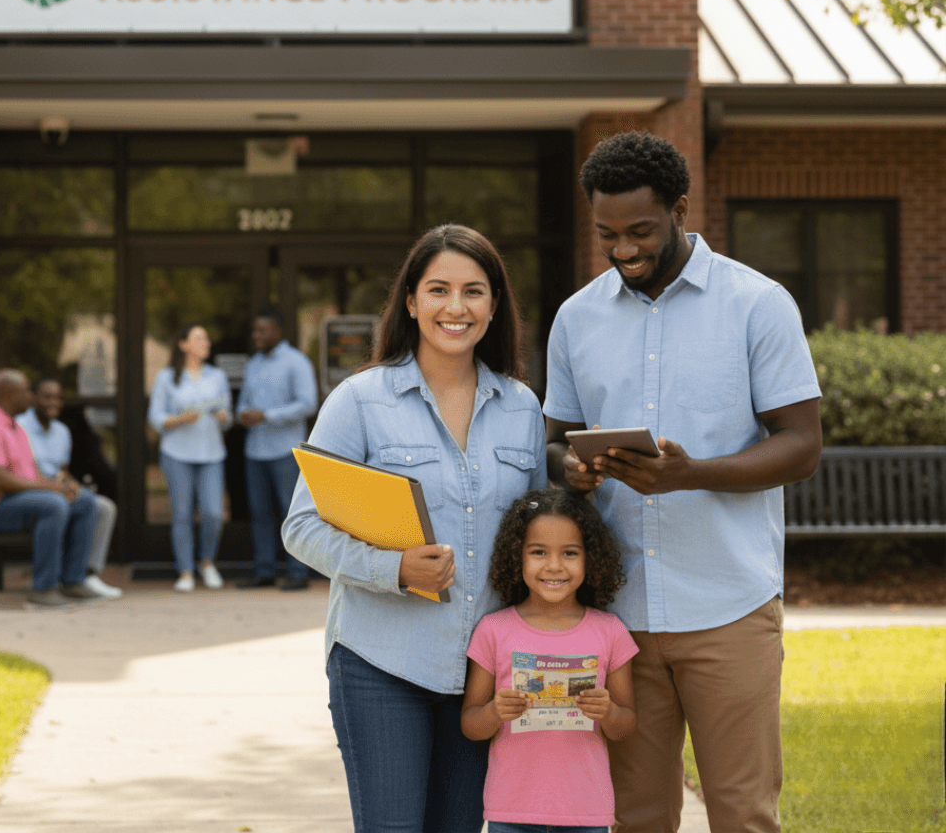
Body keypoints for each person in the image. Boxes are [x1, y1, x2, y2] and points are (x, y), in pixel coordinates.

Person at [543, 131, 823, 833]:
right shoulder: (576, 318)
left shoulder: (758, 305)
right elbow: (549, 444)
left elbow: (801, 444)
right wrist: (571, 469)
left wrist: (691, 475)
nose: (623, 249)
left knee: (742, 814)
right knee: (634, 817)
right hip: (618, 614)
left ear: (680, 209)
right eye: (607, 234)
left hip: (729, 604)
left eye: (640, 231)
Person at [283, 224, 548, 833]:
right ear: (410, 301)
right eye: (438, 290)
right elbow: (300, 527)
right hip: (380, 662)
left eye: (474, 292)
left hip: (484, 673)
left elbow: (535, 538)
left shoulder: (521, 408)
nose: (456, 308)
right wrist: (393, 568)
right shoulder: (360, 401)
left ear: (495, 305)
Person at [461, 488, 638, 833]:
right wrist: (496, 711)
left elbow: (626, 726)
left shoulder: (610, 632)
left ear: (591, 558)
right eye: (538, 552)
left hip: (586, 812)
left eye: (570, 553)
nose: (554, 566)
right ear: (517, 557)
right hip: (511, 811)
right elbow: (471, 724)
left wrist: (609, 712)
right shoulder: (494, 630)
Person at [0, 369, 102, 609]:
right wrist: (51, 492)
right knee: (53, 505)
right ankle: (43, 589)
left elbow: (30, 471)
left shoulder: (14, 427)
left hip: (17, 500)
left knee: (85, 501)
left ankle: (73, 580)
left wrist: (58, 486)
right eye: (25, 391)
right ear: (8, 393)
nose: (30, 396)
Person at [235, 307, 318, 591]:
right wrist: (244, 413)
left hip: (286, 450)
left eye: (262, 330)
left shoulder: (297, 362)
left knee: (291, 512)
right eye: (255, 330)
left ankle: (298, 572)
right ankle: (264, 570)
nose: (256, 335)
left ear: (278, 331)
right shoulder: (253, 363)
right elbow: (244, 402)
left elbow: (308, 403)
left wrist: (267, 415)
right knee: (259, 514)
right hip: (255, 450)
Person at [16, 377, 122, 599]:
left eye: (57, 398)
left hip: (55, 489)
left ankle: (85, 574)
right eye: (46, 397)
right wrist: (59, 488)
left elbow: (62, 471)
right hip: (30, 490)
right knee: (70, 504)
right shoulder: (19, 427)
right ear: (34, 398)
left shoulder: (62, 431)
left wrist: (72, 485)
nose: (53, 402)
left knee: (101, 506)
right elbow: (26, 470)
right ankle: (55, 582)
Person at [147, 324, 233, 593]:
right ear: (183, 345)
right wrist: (178, 419)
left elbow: (227, 417)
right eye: (199, 337)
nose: (206, 341)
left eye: (206, 337)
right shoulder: (165, 377)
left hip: (211, 453)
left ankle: (206, 563)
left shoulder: (217, 376)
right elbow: (156, 417)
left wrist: (223, 417)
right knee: (181, 514)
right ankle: (185, 571)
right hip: (177, 453)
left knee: (213, 513)